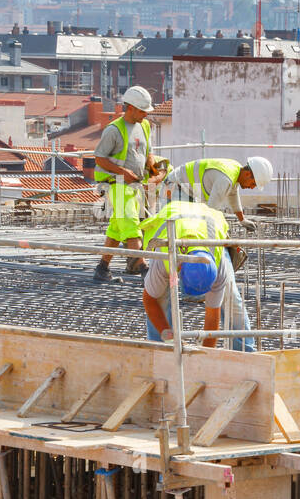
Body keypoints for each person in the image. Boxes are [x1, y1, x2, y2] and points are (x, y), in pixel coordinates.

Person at [138, 202, 255, 350]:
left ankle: (245, 353)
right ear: (180, 268)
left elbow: (212, 317)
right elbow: (149, 300)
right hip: (171, 222)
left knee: (232, 299)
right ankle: (161, 350)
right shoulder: (164, 256)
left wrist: (204, 355)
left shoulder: (218, 268)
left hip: (207, 224)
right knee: (159, 298)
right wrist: (170, 339)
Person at [93, 86, 167, 282]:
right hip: (115, 183)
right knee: (132, 223)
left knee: (117, 227)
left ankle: (102, 268)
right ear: (131, 108)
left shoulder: (144, 126)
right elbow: (100, 158)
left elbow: (147, 152)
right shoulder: (114, 130)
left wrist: (153, 169)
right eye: (143, 110)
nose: (145, 114)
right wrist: (123, 172)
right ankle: (143, 268)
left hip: (134, 185)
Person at [162, 156, 273, 230]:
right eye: (253, 183)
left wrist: (242, 220)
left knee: (187, 229)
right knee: (176, 230)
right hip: (175, 186)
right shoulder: (225, 180)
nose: (252, 187)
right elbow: (211, 211)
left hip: (187, 190)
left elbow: (233, 195)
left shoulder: (235, 170)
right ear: (248, 174)